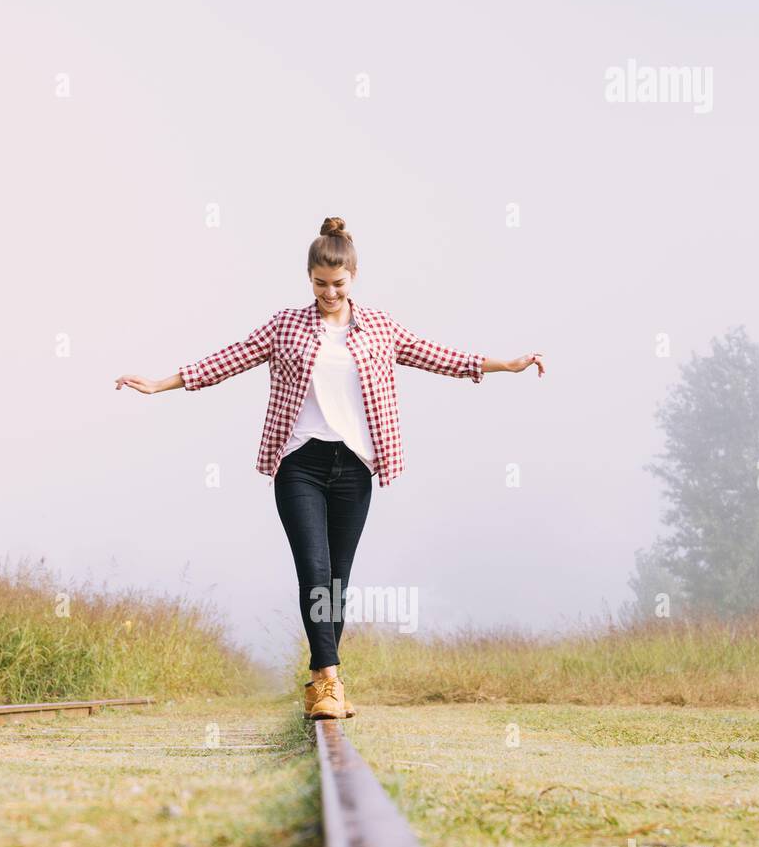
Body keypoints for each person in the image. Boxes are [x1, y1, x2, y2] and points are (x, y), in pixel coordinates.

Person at [115, 216, 545, 720]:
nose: (329, 293)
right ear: (309, 279)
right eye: (320, 284)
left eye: (338, 284)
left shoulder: (380, 327)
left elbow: (441, 356)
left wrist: (505, 365)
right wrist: (160, 384)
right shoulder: (286, 326)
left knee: (338, 581)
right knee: (314, 571)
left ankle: (323, 678)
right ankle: (329, 681)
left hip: (355, 468)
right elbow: (227, 360)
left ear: (354, 277)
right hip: (299, 462)